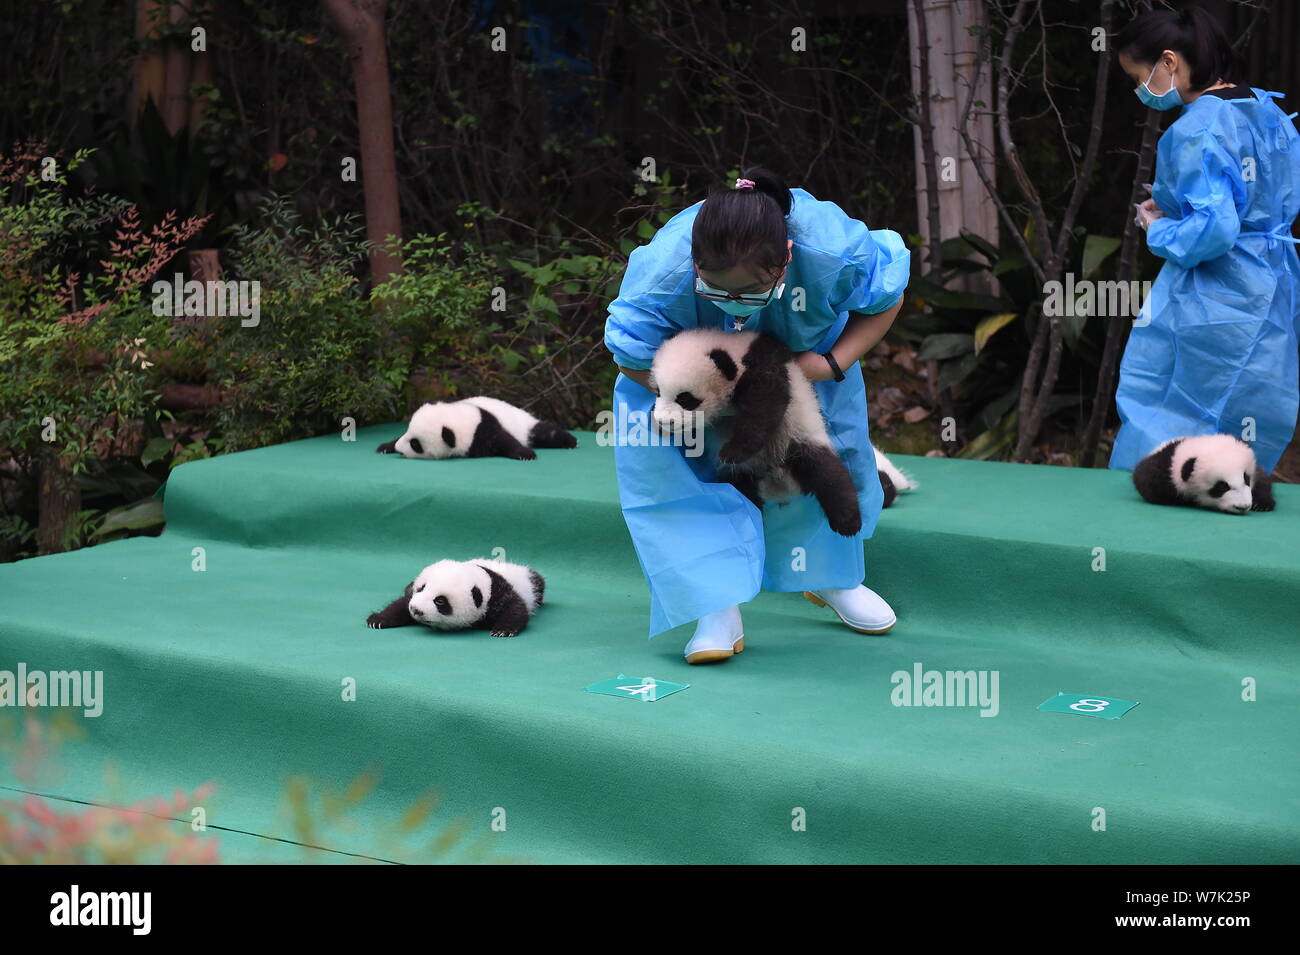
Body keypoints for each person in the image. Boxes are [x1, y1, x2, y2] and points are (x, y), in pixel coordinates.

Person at [603, 166, 910, 663]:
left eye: (748, 292)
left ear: (786, 260)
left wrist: (832, 363)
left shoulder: (834, 250)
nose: (735, 307)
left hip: (806, 366)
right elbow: (630, 355)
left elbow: (887, 295)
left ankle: (830, 575)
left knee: (830, 456)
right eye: (717, 292)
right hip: (685, 388)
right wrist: (706, 403)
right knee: (687, 477)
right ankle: (715, 602)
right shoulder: (663, 274)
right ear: (694, 264)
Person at [1109, 5, 1300, 476]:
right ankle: (1232, 495)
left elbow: (1214, 229)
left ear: (1169, 62)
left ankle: (1154, 502)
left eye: (1139, 77)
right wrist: (1178, 200)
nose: (1140, 90)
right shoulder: (1263, 107)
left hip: (1214, 294)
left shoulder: (1197, 127)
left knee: (1169, 401)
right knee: (1247, 401)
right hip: (1271, 283)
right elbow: (1259, 197)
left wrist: (1160, 228)